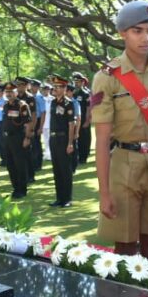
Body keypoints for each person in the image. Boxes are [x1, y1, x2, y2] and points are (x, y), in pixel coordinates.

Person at [91, 0, 148, 261]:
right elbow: (103, 139)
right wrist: (104, 193)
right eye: (137, 31)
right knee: (126, 250)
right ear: (122, 33)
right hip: (123, 165)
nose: (146, 37)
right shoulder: (107, 77)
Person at [47, 76, 80, 207]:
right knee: (57, 169)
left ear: (65, 88)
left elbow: (71, 124)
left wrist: (70, 143)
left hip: (63, 138)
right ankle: (59, 198)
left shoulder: (68, 103)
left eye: (58, 87)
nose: (55, 89)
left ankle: (67, 199)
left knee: (65, 169)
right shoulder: (53, 102)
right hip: (53, 138)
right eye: (54, 87)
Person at [1, 81, 34, 199]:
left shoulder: (22, 105)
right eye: (7, 92)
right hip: (7, 138)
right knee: (10, 165)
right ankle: (15, 188)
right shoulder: (6, 105)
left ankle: (22, 189)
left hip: (18, 138)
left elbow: (29, 123)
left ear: (16, 92)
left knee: (20, 164)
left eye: (11, 91)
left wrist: (27, 138)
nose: (9, 94)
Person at [15, 77, 38, 182]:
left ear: (25, 85)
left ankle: (30, 175)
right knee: (19, 153)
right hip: (17, 129)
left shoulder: (30, 98)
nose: (19, 87)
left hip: (27, 128)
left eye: (21, 85)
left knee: (28, 153)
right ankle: (22, 175)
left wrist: (31, 130)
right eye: (17, 85)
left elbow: (33, 115)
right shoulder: (15, 97)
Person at [72, 71, 92, 166]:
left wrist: (88, 120)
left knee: (84, 139)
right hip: (75, 120)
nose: (76, 83)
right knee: (76, 138)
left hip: (84, 119)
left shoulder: (86, 94)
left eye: (78, 82)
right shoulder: (73, 93)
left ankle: (83, 157)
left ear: (82, 82)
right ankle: (77, 156)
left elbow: (89, 108)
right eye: (75, 82)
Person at [29, 78, 47, 172]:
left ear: (38, 87)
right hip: (30, 121)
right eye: (31, 85)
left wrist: (41, 127)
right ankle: (33, 162)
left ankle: (38, 164)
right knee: (31, 143)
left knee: (36, 143)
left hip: (38, 121)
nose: (32, 87)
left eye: (34, 86)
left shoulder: (40, 98)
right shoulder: (29, 96)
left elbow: (43, 113)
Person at [41, 82, 54, 162]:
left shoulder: (52, 98)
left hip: (50, 121)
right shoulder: (40, 98)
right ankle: (47, 153)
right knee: (45, 139)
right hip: (43, 122)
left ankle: (50, 154)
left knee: (50, 139)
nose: (46, 91)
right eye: (44, 89)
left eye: (47, 89)